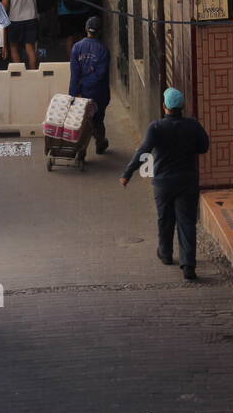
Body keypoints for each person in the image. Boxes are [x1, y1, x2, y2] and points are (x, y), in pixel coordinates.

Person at [120, 88, 210, 281]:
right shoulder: (192, 125)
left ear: (164, 106)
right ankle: (188, 265)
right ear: (182, 107)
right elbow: (204, 147)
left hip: (163, 183)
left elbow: (143, 151)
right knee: (187, 222)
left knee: (165, 219)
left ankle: (166, 254)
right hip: (187, 181)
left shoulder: (156, 127)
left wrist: (127, 173)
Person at [69, 15, 110, 152]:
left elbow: (74, 74)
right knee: (98, 119)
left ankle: (81, 149)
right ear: (100, 31)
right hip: (99, 93)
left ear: (86, 29)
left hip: (82, 92)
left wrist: (75, 94)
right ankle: (100, 142)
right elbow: (101, 74)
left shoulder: (76, 47)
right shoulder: (103, 50)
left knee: (83, 121)